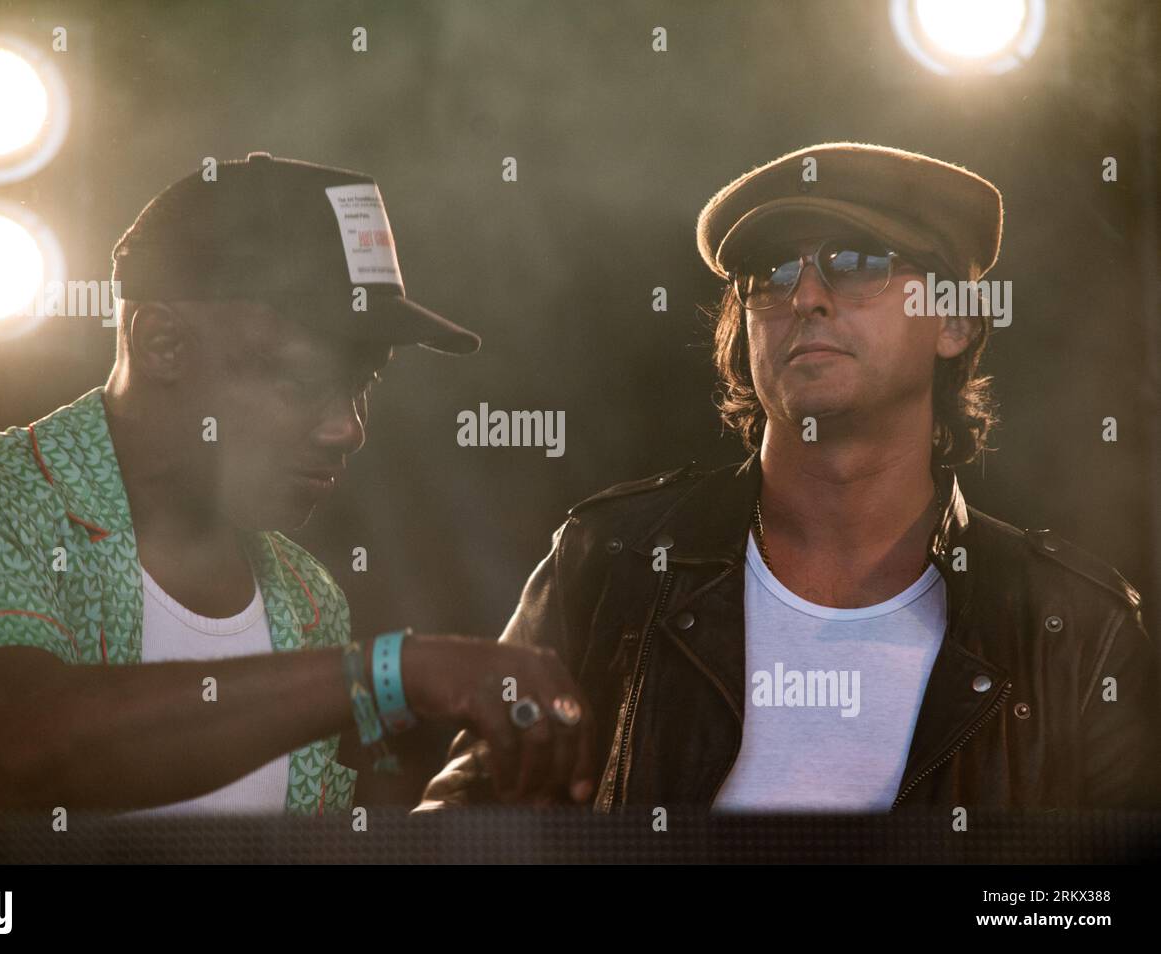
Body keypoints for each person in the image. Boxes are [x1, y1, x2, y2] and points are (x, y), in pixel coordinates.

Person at [417, 142, 1161, 812]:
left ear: (956, 321)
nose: (804, 296)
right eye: (769, 274)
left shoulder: (1072, 629)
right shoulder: (610, 561)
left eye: (859, 260)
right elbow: (465, 829)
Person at [0, 153, 594, 817]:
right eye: (302, 378)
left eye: (361, 385)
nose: (348, 427)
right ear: (162, 342)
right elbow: (19, 754)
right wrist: (392, 673)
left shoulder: (306, 598)